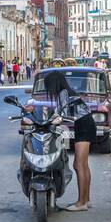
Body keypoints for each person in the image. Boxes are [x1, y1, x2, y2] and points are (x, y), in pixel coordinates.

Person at [44, 71, 95, 211]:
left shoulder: (64, 94)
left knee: (78, 165)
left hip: (84, 126)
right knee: (83, 165)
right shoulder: (68, 92)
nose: (48, 90)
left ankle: (81, 203)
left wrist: (52, 121)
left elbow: (61, 116)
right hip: (86, 124)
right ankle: (87, 199)